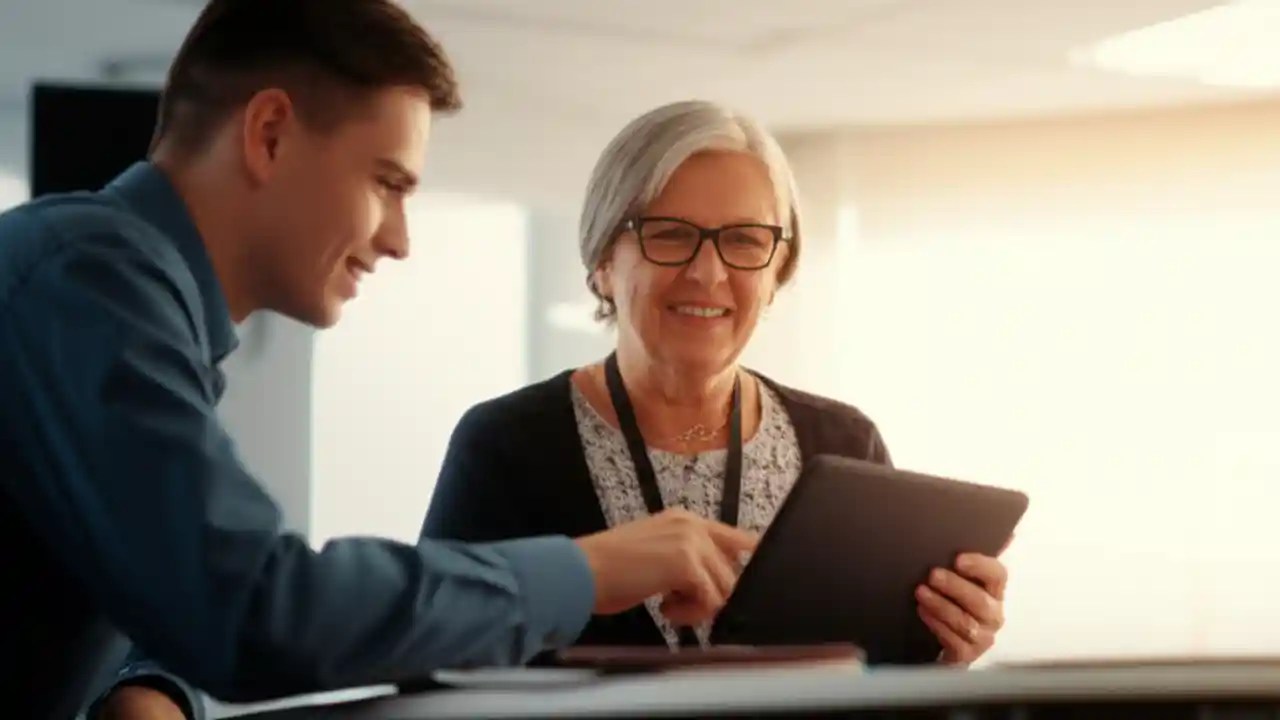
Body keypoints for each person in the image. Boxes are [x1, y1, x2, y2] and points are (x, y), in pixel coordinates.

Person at [0, 3, 758, 718]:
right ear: (268, 133)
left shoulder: (114, 290)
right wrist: (588, 572)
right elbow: (255, 610)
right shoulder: (89, 276)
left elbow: (143, 580)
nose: (400, 238)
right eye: (387, 183)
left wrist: (144, 683)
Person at [422, 100, 1011, 663]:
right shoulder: (505, 445)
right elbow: (433, 661)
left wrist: (941, 647)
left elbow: (871, 679)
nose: (709, 273)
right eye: (672, 234)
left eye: (745, 241)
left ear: (778, 269)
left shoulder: (844, 442)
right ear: (603, 260)